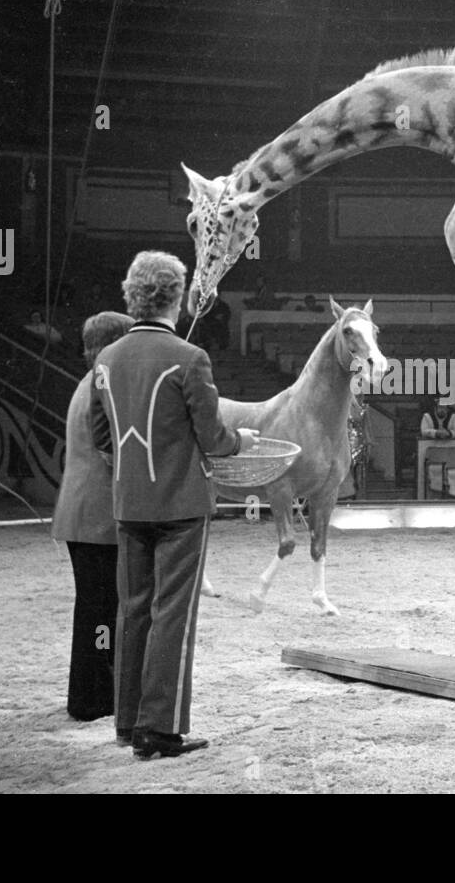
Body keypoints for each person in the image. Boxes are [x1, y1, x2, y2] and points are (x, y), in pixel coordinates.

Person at [90, 251, 259, 759]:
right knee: (172, 616)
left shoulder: (106, 360)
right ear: (178, 296)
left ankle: (127, 721)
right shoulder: (190, 359)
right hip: (181, 503)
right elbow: (212, 436)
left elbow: (100, 435)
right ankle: (159, 730)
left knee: (133, 610)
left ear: (133, 295)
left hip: (129, 501)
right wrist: (242, 441)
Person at [54, 311, 133, 722]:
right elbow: (114, 451)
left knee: (94, 607)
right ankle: (93, 697)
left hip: (82, 513)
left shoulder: (89, 382)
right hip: (97, 516)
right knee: (101, 609)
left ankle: (91, 692)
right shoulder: (105, 385)